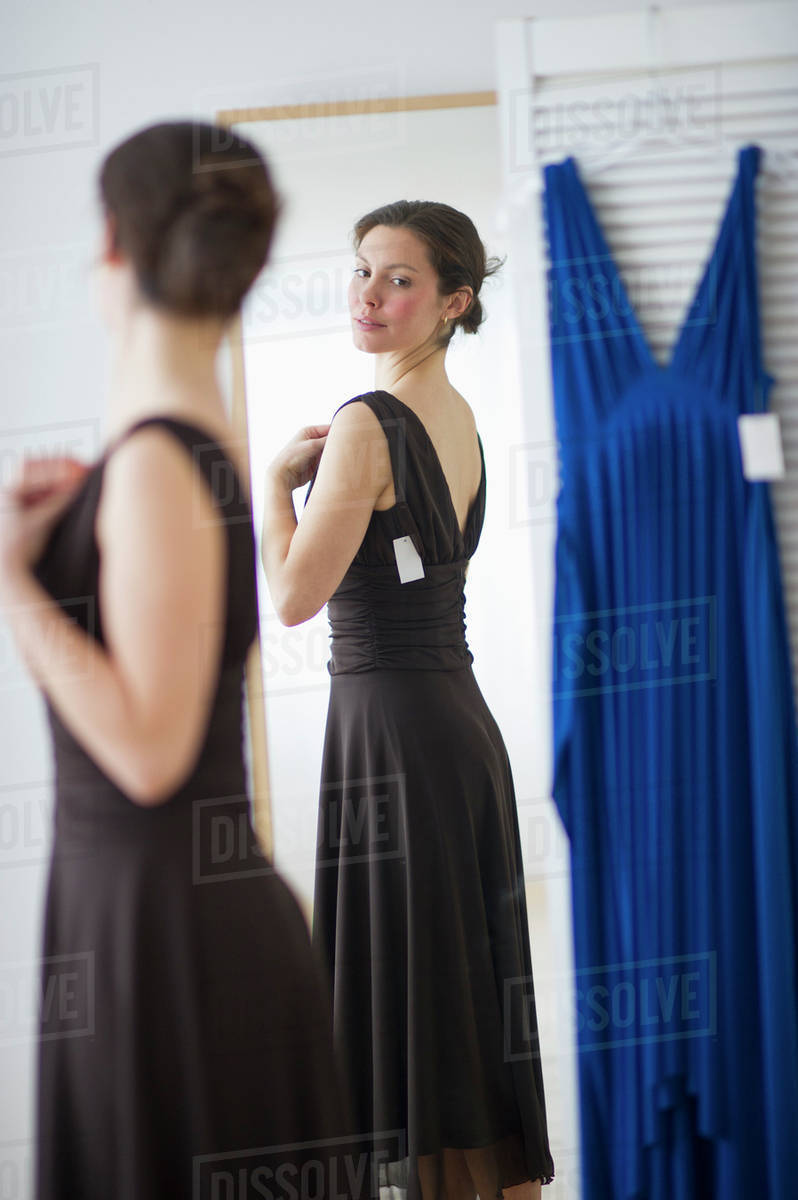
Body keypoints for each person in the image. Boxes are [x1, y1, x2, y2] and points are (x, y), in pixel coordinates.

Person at [0, 120, 359, 1200]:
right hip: (153, 918)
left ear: (115, 243)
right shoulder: (165, 446)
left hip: (166, 934)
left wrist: (12, 581)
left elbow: (150, 754)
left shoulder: (161, 457)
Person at [262, 200, 555, 1199]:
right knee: (457, 991)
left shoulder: (366, 423)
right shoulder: (457, 417)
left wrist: (273, 491)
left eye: (398, 280)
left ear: (453, 302)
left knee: (417, 991)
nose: (369, 295)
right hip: (454, 726)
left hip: (392, 732)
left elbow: (294, 598)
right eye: (361, 271)